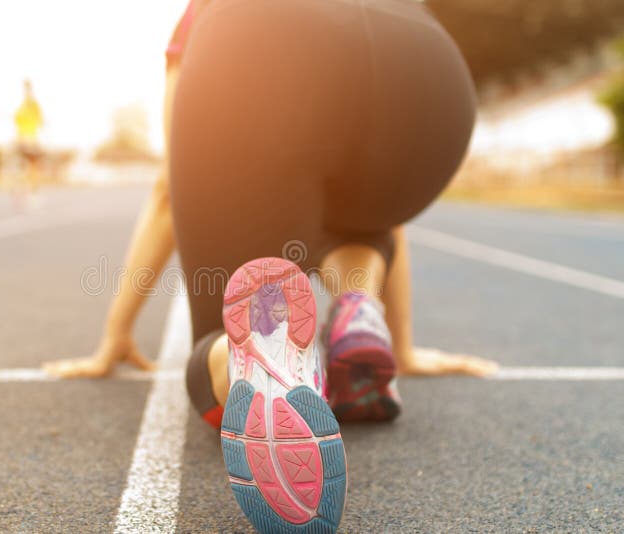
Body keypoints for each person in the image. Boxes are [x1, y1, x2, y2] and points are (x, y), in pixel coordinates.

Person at [45, 0, 498, 531]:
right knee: (362, 207)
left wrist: (115, 334)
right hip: (429, 70)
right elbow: (385, 211)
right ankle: (359, 307)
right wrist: (403, 347)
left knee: (223, 337)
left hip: (267, 37)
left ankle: (260, 348)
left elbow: (171, 189)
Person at [14, 79, 44, 208]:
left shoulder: (27, 105)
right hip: (27, 140)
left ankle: (26, 194)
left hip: (28, 139)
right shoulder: (27, 105)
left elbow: (40, 121)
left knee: (29, 168)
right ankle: (28, 195)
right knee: (30, 168)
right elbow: (40, 122)